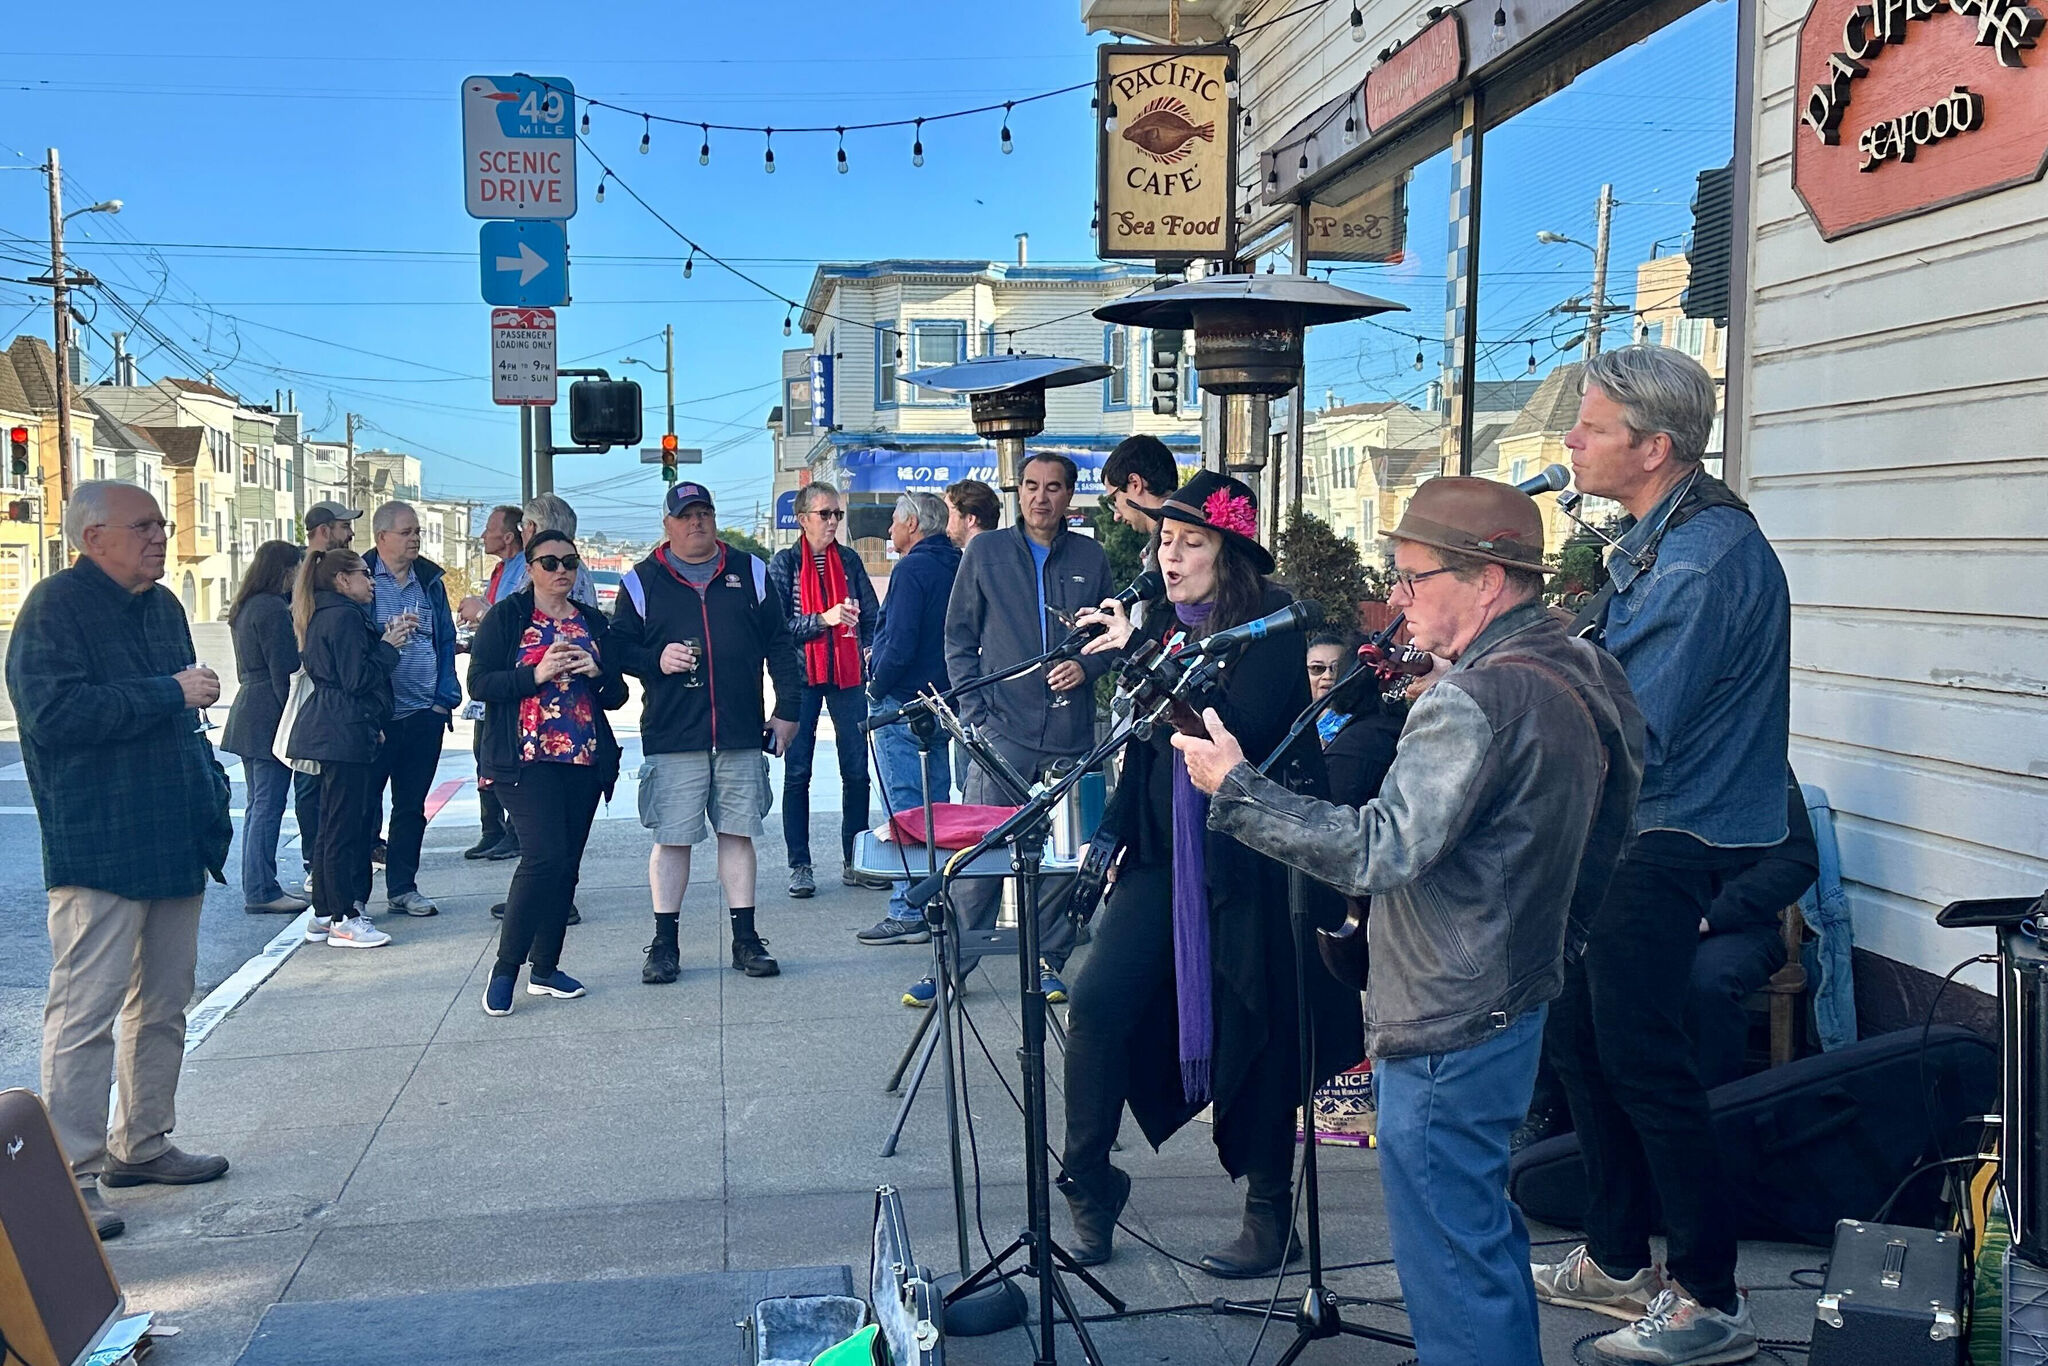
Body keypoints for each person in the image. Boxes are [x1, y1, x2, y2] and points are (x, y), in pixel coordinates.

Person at [1174, 477, 1644, 1366]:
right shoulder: (1578, 661)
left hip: (1448, 1008)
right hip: (1514, 985)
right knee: (1476, 1232)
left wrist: (1234, 789)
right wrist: (1564, 939)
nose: (1396, 598)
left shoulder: (1477, 700)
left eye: (1414, 577)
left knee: (1449, 1257)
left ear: (1488, 579)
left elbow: (1377, 850)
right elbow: (1621, 807)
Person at [1533, 343, 1790, 1366]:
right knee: (1580, 1041)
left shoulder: (1698, 559)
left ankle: (1710, 1294)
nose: (1568, 442)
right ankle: (1612, 1253)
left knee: (1644, 1059)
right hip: (1623, 834)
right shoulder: (1659, 539)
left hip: (1662, 835)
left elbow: (1635, 726)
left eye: (1587, 427)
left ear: (1653, 445)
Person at [1054, 471, 1364, 1277]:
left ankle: (1270, 1214)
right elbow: (1146, 757)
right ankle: (1088, 1181)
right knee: (1094, 1001)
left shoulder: (1268, 625)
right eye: (1165, 540)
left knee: (1258, 1028)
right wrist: (1111, 837)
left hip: (1253, 864)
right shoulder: (1164, 624)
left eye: (1193, 543)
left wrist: (1142, 657)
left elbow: (1234, 740)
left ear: (1229, 555)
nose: (1173, 556)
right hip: (1168, 857)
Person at [4, 480, 237, 1242]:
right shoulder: (55, 609)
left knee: (165, 1004)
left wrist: (207, 794)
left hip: (172, 834)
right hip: (100, 841)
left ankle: (142, 1143)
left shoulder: (165, 608)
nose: (160, 536)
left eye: (161, 525)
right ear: (91, 535)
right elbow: (55, 716)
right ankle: (69, 1178)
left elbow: (183, 712)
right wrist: (167, 693)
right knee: (85, 1015)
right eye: (142, 527)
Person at [937, 453, 1115, 1007]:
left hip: (1071, 732)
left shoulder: (1091, 556)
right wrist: (976, 715)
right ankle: (953, 966)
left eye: (1054, 488)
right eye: (1032, 487)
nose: (1041, 497)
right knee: (979, 855)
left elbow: (1111, 637)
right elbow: (958, 637)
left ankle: (1047, 960)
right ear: (1018, 492)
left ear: (1069, 496)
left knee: (1065, 856)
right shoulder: (986, 551)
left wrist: (1087, 667)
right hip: (1002, 733)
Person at [609, 481, 802, 983]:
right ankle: (665, 944)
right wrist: (656, 659)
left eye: (705, 513)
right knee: (673, 840)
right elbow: (617, 651)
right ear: (668, 524)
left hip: (739, 732)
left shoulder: (750, 571)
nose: (697, 522)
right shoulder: (641, 581)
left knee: (739, 835)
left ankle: (745, 940)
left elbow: (780, 644)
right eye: (686, 514)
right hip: (674, 735)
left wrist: (788, 710)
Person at [468, 531, 630, 1015]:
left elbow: (617, 696)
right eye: (550, 562)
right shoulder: (509, 617)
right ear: (531, 569)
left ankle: (545, 967)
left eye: (570, 562)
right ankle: (505, 969)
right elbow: (480, 683)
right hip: (524, 759)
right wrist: (535, 674)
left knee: (566, 866)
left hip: (582, 758)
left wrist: (597, 673)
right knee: (543, 857)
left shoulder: (592, 623)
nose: (561, 570)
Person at [288, 549, 414, 948]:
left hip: (340, 726)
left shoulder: (329, 614)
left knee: (332, 825)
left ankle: (324, 914)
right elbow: (357, 677)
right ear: (342, 580)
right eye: (364, 574)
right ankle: (343, 915)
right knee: (344, 827)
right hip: (342, 729)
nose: (372, 581)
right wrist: (390, 644)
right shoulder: (341, 616)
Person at [857, 492, 962, 945]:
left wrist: (876, 685)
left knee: (905, 806)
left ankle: (908, 910)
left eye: (895, 523)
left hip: (901, 702)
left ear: (913, 524)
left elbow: (898, 642)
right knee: (936, 805)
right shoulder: (957, 564)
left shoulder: (911, 569)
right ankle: (935, 900)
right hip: (943, 698)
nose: (888, 532)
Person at [767, 481, 878, 898]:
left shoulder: (848, 561)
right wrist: (824, 619)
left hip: (848, 676)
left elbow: (871, 615)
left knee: (856, 771)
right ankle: (800, 864)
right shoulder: (785, 564)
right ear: (802, 519)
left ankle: (856, 858)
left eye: (837, 515)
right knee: (798, 772)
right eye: (824, 514)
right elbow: (777, 631)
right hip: (802, 679)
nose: (832, 522)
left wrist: (868, 647)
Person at [361, 501, 461, 917]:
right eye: (406, 532)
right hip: (378, 715)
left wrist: (443, 700)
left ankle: (403, 887)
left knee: (411, 806)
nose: (415, 538)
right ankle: (355, 896)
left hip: (424, 712)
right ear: (382, 537)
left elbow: (445, 640)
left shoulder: (429, 581)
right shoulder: (361, 579)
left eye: (417, 531)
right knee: (365, 805)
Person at [1690, 771, 1817, 1089]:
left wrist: (1710, 917)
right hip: (1639, 918)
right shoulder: (1631, 743)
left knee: (1705, 984)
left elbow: (1793, 862)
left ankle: (1716, 1112)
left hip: (1734, 926)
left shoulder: (1755, 754)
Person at [222, 540, 310, 914]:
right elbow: (285, 673)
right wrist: (297, 722)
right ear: (286, 571)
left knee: (259, 804)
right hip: (269, 716)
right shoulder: (273, 608)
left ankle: (258, 884)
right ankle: (261, 890)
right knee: (268, 806)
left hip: (248, 711)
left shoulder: (247, 606)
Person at [460, 504, 528, 864]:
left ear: (508, 536)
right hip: (487, 678)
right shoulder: (501, 570)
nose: (482, 536)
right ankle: (492, 829)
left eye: (488, 529)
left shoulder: (523, 571)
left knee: (503, 756)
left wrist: (482, 611)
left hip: (508, 679)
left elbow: (509, 622)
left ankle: (515, 831)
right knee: (482, 754)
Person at [294, 500, 361, 866]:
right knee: (318, 795)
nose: (349, 534)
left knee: (332, 804)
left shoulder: (324, 585)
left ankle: (323, 874)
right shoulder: (310, 581)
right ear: (324, 531)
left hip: (325, 709)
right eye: (343, 526)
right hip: (323, 707)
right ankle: (318, 871)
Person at [1304, 630, 1406, 809]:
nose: (1327, 676)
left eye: (1336, 668)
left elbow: (1332, 816)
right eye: (1317, 669)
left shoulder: (1355, 743)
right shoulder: (1296, 725)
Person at [1100, 433, 1179, 537]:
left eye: (1114, 499)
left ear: (1135, 483)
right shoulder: (1197, 526)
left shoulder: (1176, 543)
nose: (1116, 516)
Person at [944, 478, 999, 549]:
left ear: (970, 519)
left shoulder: (975, 557)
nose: (943, 521)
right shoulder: (1003, 552)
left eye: (948, 514)